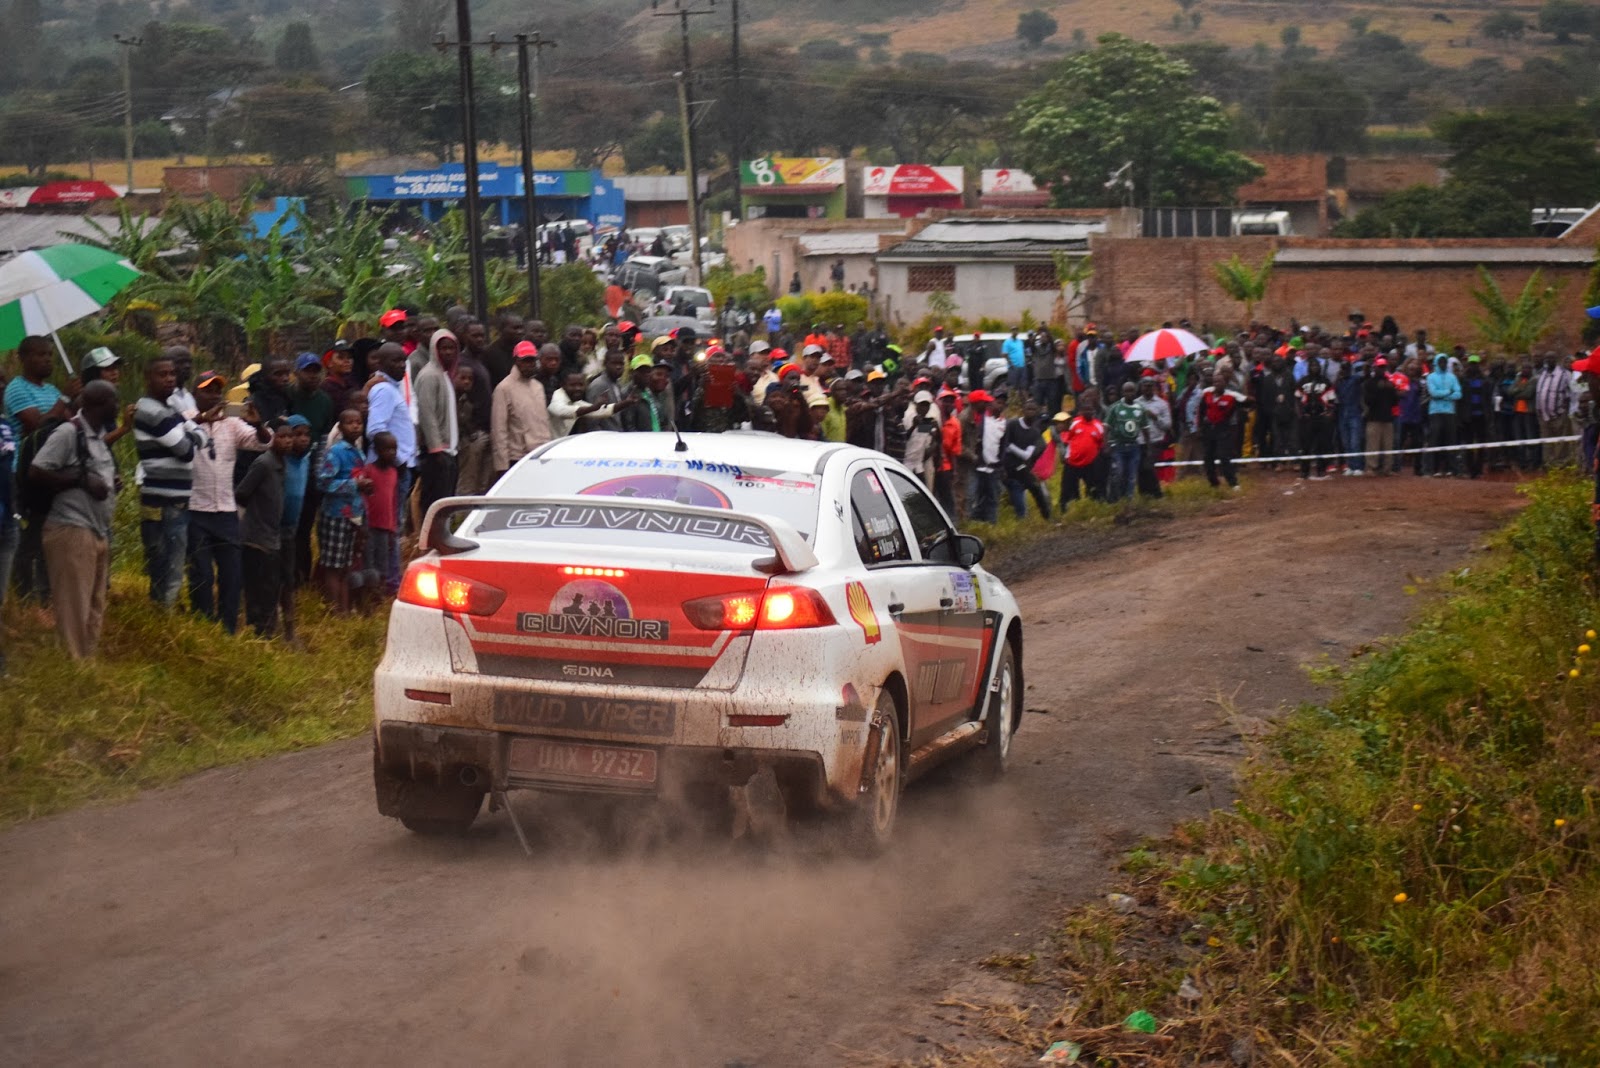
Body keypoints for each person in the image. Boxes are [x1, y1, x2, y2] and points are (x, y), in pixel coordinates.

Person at [29, 380, 119, 659]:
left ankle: (86, 665)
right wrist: (80, 480)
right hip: (71, 529)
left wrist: (112, 482)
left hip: (98, 530)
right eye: (113, 400)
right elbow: (37, 470)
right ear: (97, 404)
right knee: (74, 606)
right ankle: (72, 667)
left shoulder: (98, 436)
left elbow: (96, 473)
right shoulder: (68, 432)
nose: (118, 405)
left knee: (94, 604)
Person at [186, 371, 269, 634]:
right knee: (201, 574)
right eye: (207, 390)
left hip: (225, 511)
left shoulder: (231, 424)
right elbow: (178, 439)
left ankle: (228, 630)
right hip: (195, 510)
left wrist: (257, 425)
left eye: (217, 390)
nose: (213, 395)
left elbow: (263, 444)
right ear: (194, 394)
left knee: (232, 576)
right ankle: (203, 627)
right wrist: (200, 420)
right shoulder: (186, 420)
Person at [4, 335, 72, 601]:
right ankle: (24, 594)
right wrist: (65, 398)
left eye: (49, 355)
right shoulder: (17, 389)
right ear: (23, 358)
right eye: (40, 354)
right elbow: (37, 425)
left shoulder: (51, 390)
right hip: (25, 471)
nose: (47, 359)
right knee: (28, 535)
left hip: (50, 471)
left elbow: (66, 423)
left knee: (48, 530)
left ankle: (45, 592)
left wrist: (74, 398)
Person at [135, 354, 203, 607]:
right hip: (162, 503)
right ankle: (162, 620)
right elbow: (187, 450)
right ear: (147, 377)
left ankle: (166, 618)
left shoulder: (169, 408)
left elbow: (198, 437)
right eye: (162, 374)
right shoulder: (150, 411)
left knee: (173, 565)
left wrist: (192, 431)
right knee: (165, 566)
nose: (169, 379)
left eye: (172, 374)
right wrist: (193, 430)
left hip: (176, 501)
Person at [237, 417, 293, 638]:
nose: (287, 441)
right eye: (282, 437)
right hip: (256, 537)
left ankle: (266, 631)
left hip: (272, 535)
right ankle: (260, 632)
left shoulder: (282, 462)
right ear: (272, 439)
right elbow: (242, 492)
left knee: (271, 586)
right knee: (259, 588)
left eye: (290, 437)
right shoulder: (264, 463)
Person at [318, 408, 372, 614]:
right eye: (350, 422)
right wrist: (354, 485)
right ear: (340, 428)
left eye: (358, 422)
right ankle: (335, 611)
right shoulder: (336, 452)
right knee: (333, 566)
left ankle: (344, 609)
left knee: (345, 566)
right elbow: (324, 482)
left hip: (354, 514)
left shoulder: (358, 450)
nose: (356, 426)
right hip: (336, 515)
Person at [365, 342, 416, 536]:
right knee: (388, 527)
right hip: (390, 468)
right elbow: (375, 430)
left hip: (397, 467)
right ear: (381, 363)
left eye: (403, 360)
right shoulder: (384, 390)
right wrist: (397, 460)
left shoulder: (393, 388)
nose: (402, 365)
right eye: (396, 361)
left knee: (394, 523)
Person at [414, 328, 461, 519]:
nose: (448, 352)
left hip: (449, 449)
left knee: (446, 501)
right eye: (443, 348)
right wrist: (436, 448)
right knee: (435, 501)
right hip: (437, 453)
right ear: (435, 349)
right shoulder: (429, 376)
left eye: (451, 348)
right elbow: (427, 414)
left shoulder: (444, 374)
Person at [490, 340, 555, 480]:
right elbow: (498, 429)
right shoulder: (504, 388)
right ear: (516, 361)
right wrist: (502, 466)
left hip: (541, 453)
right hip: (517, 457)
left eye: (532, 360)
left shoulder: (538, 386)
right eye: (525, 361)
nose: (530, 364)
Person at [279, 415, 313, 641]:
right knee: (272, 578)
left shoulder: (306, 459)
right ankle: (269, 627)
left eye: (305, 435)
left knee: (288, 579)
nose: (301, 440)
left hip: (292, 527)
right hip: (273, 527)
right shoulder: (278, 461)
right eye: (295, 434)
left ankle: (290, 630)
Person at [364, 431, 402, 597]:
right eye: (387, 449)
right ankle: (367, 596)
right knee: (368, 561)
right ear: (377, 450)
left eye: (394, 449)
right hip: (370, 525)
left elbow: (393, 501)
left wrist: (393, 528)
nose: (392, 453)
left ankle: (379, 594)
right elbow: (363, 498)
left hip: (386, 527)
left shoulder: (394, 473)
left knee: (383, 563)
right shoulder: (369, 471)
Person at [1002, 398, 1052, 520]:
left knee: (1035, 487)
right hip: (1006, 466)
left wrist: (1012, 446)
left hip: (1021, 466)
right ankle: (1021, 517)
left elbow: (1026, 455)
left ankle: (1047, 518)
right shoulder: (1012, 424)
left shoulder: (1034, 432)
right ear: (1023, 410)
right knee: (1016, 487)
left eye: (1033, 409)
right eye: (1028, 408)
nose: (1030, 411)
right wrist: (1011, 448)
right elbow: (1004, 445)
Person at [1197, 370, 1247, 490]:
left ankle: (1233, 483)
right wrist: (1199, 426)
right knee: (1208, 457)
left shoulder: (1231, 397)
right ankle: (1213, 483)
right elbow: (1201, 411)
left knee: (1224, 456)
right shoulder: (1207, 394)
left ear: (1225, 383)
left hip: (1223, 429)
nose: (1217, 384)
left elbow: (1247, 402)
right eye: (1215, 381)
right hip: (1208, 429)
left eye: (1220, 381)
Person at [961, 389, 1005, 523]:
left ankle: (980, 520)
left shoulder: (979, 416)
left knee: (986, 493)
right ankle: (965, 523)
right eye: (984, 402)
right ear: (977, 403)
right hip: (966, 462)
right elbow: (959, 443)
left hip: (980, 462)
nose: (987, 405)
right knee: (969, 494)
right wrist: (973, 456)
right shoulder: (964, 418)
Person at [1057, 393, 1108, 506]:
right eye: (1086, 409)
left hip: (1090, 464)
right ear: (1081, 411)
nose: (1088, 412)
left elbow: (1101, 444)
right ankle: (1064, 508)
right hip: (1072, 463)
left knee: (1092, 487)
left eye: (1090, 410)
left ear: (1093, 411)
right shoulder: (1074, 423)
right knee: (1067, 488)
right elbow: (1065, 439)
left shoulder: (1098, 425)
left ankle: (1093, 506)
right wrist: (1064, 454)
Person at [1295, 357, 1338, 480]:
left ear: (1320, 368)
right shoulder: (1303, 381)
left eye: (1316, 366)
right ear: (1309, 368)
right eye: (1312, 366)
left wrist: (1329, 413)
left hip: (1321, 418)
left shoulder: (1326, 382)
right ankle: (1304, 471)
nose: (1314, 368)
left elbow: (1332, 400)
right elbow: (1297, 399)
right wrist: (1300, 414)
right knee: (1305, 446)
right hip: (1307, 418)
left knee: (1322, 445)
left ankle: (1321, 470)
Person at [1103, 381, 1147, 503]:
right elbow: (1106, 427)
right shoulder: (1115, 408)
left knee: (1132, 475)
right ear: (1122, 393)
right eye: (1127, 391)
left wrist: (1148, 447)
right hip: (1118, 446)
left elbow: (1145, 428)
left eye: (1132, 390)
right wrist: (1106, 444)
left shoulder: (1140, 408)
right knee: (1119, 473)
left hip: (1134, 446)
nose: (1130, 393)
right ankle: (1117, 498)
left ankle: (1129, 499)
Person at [548, 370, 620, 438]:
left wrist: (628, 401)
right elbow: (561, 411)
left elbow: (602, 411)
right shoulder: (557, 396)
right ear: (563, 385)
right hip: (547, 445)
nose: (578, 388)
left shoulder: (576, 401)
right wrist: (594, 407)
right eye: (573, 385)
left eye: (581, 385)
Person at [1424, 352, 1462, 477]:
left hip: (1449, 412)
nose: (1443, 364)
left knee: (1450, 440)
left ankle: (1452, 469)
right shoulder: (1431, 377)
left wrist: (1444, 395)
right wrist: (1448, 393)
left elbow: (1458, 394)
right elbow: (1433, 393)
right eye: (1441, 362)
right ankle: (1431, 469)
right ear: (1437, 363)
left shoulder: (1452, 377)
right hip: (1435, 412)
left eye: (1445, 362)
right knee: (1434, 440)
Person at [1135, 372, 1172, 498]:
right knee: (1140, 468)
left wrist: (1155, 417)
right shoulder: (1135, 404)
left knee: (1148, 466)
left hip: (1156, 440)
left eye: (1150, 385)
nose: (1147, 388)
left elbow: (1167, 425)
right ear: (1140, 387)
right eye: (1145, 385)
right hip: (1139, 441)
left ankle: (1157, 493)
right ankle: (1144, 495)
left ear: (1154, 387)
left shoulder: (1162, 404)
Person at [1535, 353, 1573, 468]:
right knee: (1547, 441)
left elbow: (1570, 393)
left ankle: (1561, 464)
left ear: (1555, 359)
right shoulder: (1542, 373)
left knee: (1561, 441)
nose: (1548, 360)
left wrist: (1564, 409)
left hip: (1559, 413)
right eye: (1547, 358)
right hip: (1543, 415)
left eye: (1551, 358)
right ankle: (1548, 464)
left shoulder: (1564, 374)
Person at [1363, 357, 1399, 474]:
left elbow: (1395, 402)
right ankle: (1371, 468)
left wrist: (1392, 390)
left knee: (1388, 445)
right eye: (1380, 367)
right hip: (1373, 418)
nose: (1382, 370)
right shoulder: (1369, 383)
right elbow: (1368, 401)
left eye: (1383, 367)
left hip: (1388, 418)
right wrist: (1378, 390)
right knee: (1373, 445)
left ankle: (1387, 468)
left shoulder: (1389, 383)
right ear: (1375, 368)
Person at [901, 391, 942, 491]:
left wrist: (937, 428)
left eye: (926, 405)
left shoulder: (925, 422)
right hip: (905, 463)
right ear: (916, 405)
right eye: (921, 405)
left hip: (918, 465)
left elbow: (938, 438)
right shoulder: (908, 417)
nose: (924, 408)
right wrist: (913, 426)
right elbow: (904, 438)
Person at [584, 349, 630, 433]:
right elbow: (592, 420)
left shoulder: (617, 384)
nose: (618, 367)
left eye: (621, 364)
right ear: (605, 364)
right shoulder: (598, 385)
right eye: (614, 363)